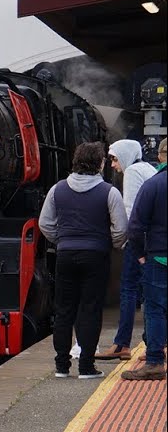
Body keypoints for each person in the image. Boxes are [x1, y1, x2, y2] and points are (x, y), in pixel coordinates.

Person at [39, 142, 127, 380]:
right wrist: (110, 244)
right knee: (90, 309)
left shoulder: (57, 190)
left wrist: (63, 240)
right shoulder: (109, 192)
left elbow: (45, 223)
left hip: (66, 255)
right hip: (96, 256)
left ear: (76, 162)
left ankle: (61, 366)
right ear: (99, 164)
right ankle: (86, 367)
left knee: (64, 309)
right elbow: (121, 228)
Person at [97, 139, 159, 361]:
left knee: (128, 289)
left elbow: (130, 210)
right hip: (153, 239)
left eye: (114, 159)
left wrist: (122, 240)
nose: (113, 165)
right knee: (150, 293)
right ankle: (153, 342)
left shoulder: (132, 171)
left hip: (139, 240)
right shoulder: (148, 168)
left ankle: (122, 344)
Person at [122, 140, 166, 381]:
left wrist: (139, 254)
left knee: (156, 309)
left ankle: (155, 362)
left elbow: (135, 227)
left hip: (158, 256)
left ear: (160, 157)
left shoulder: (152, 185)